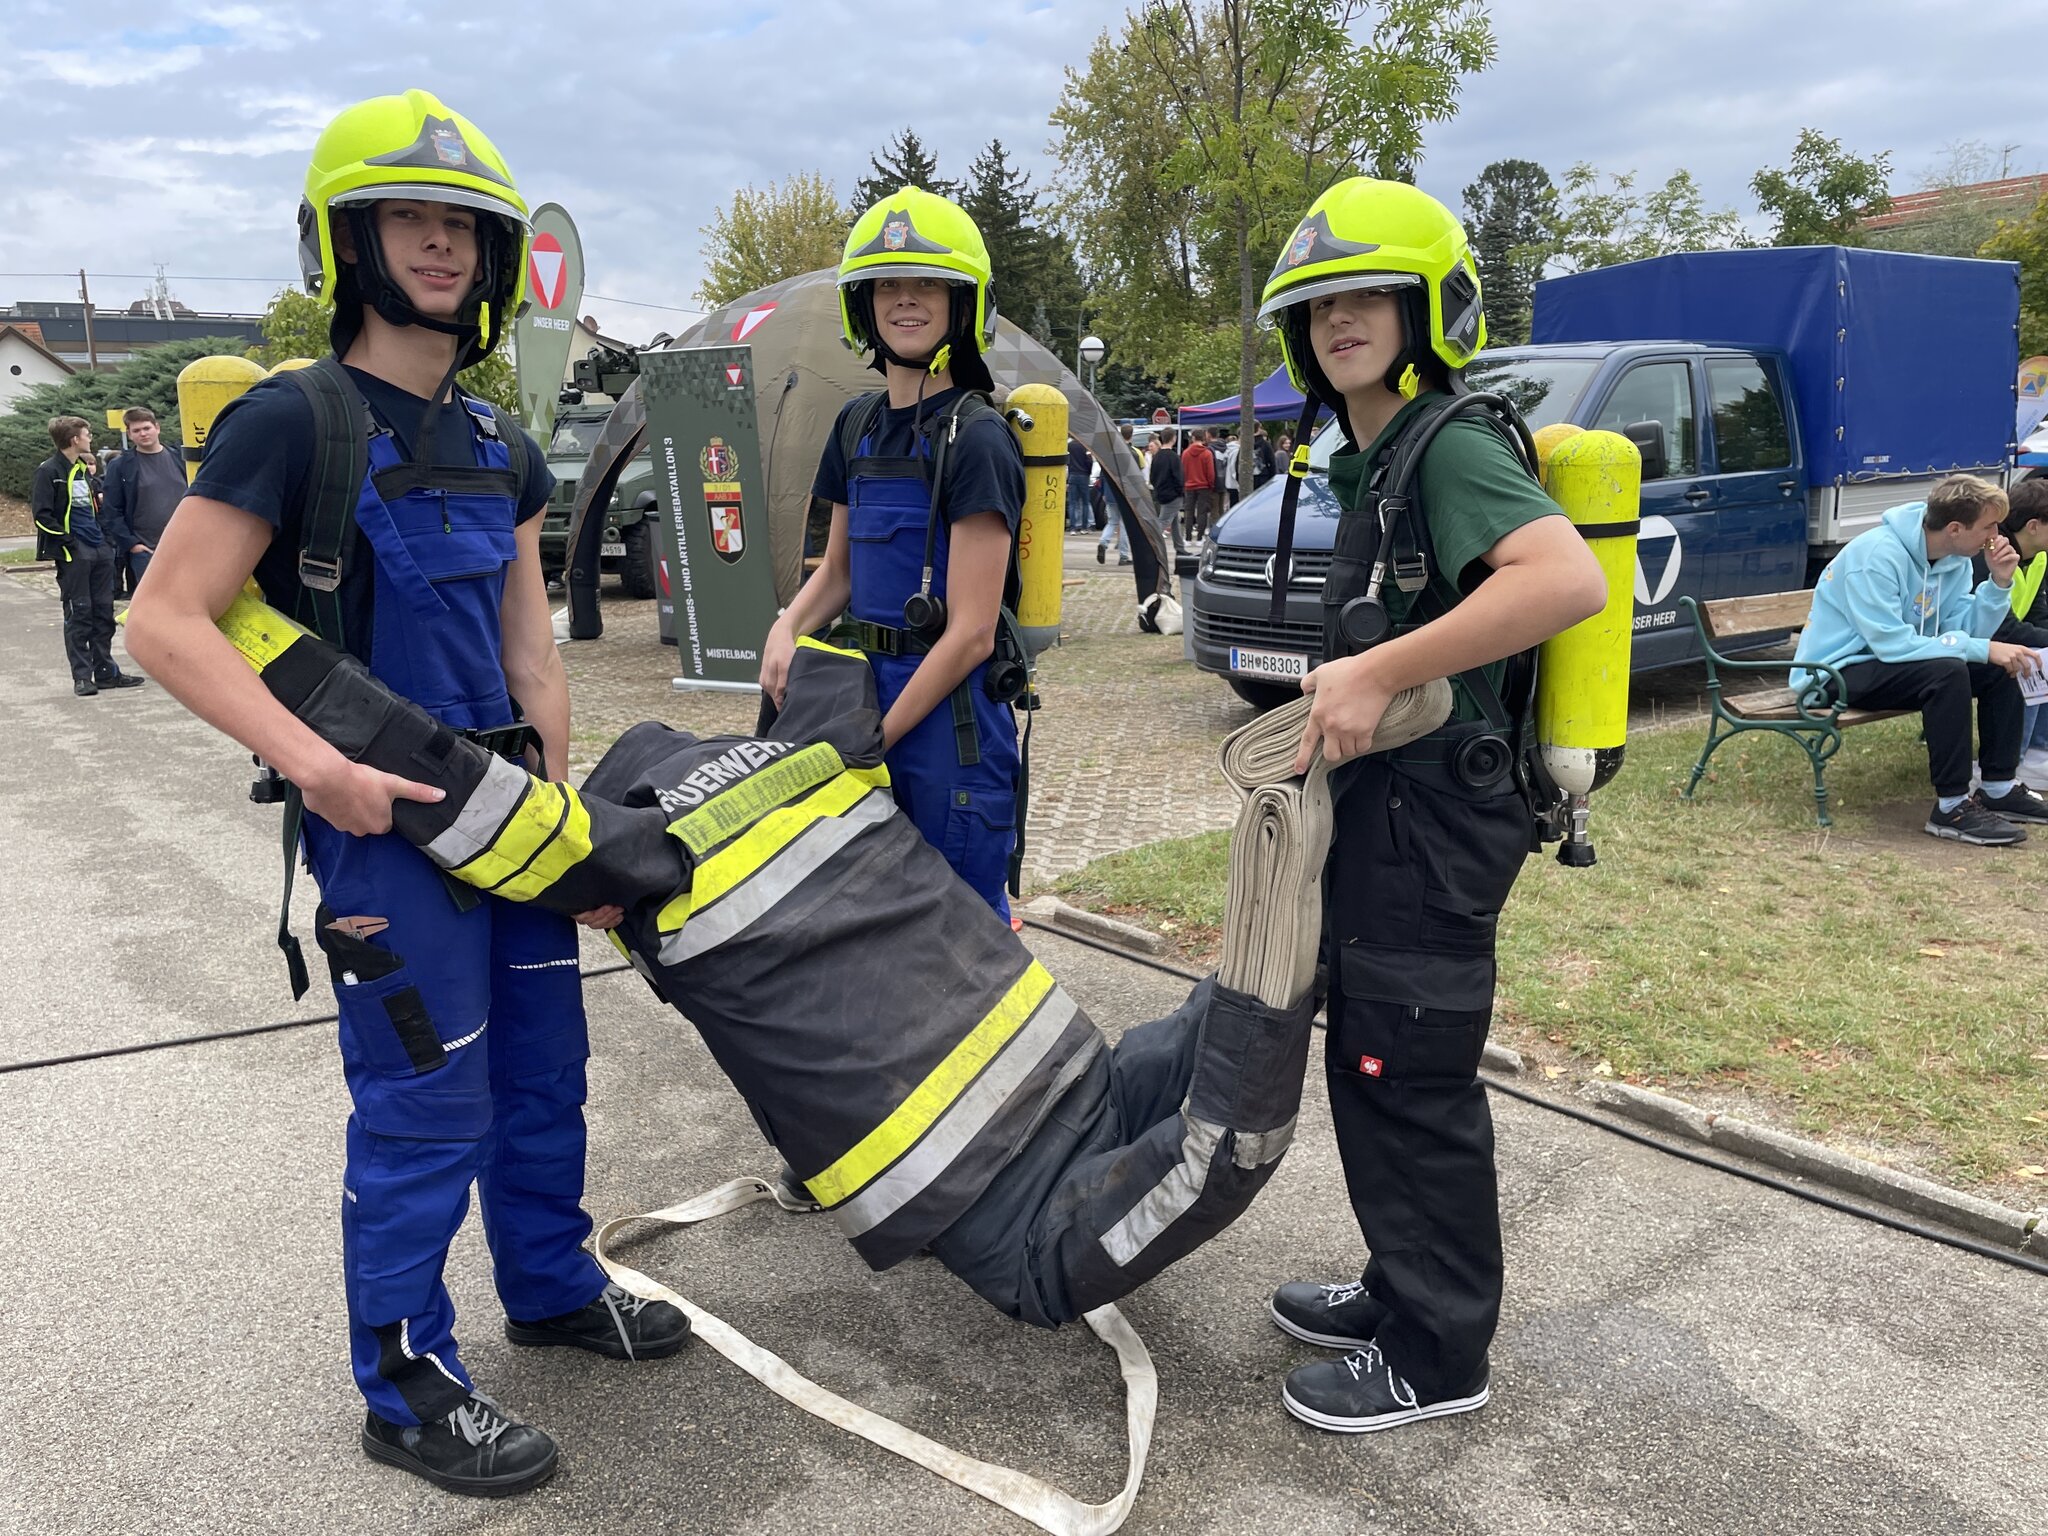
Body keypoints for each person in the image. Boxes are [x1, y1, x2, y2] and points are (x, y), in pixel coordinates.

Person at [125, 89, 686, 1501]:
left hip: (511, 822)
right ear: (349, 241)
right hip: (387, 838)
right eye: (410, 220)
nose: (440, 246)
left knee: (544, 1075)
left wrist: (561, 813)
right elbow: (167, 620)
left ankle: (551, 1288)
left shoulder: (496, 440)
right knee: (427, 1105)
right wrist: (320, 770)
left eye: (463, 227)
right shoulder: (288, 422)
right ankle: (407, 1383)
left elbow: (529, 646)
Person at [1254, 177, 1608, 1433]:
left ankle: (1438, 1357)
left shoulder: (1447, 437)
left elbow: (1563, 581)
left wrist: (1379, 670)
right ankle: (1401, 1291)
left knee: (1410, 1074)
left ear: (1425, 306)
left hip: (1432, 822)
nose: (1341, 319)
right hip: (1391, 809)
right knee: (1374, 1061)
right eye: (1318, 306)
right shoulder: (1379, 447)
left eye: (1368, 296)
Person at [761, 185, 1025, 918]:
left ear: (961, 304)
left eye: (926, 286)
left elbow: (972, 631)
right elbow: (838, 571)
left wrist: (880, 738)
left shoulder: (978, 437)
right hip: (865, 698)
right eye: (887, 286)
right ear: (864, 306)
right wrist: (786, 628)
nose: (904, 301)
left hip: (948, 722)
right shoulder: (856, 427)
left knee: (962, 928)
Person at [1792, 474, 2045, 845]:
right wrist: (1979, 648)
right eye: (1989, 526)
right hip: (1834, 671)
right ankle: (1952, 806)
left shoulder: (1954, 559)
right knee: (1948, 671)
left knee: (1998, 665)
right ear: (1955, 528)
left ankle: (1998, 787)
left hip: (1895, 665)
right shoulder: (1877, 556)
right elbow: (1890, 644)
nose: (1997, 535)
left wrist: (1999, 584)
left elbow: (1969, 629)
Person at [32, 416, 143, 696]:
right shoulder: (49, 471)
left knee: (104, 612)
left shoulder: (83, 470)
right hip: (75, 553)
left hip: (100, 551)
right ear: (74, 440)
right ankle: (82, 677)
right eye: (87, 434)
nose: (90, 437)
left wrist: (106, 542)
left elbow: (96, 509)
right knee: (79, 612)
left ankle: (106, 672)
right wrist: (68, 542)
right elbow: (42, 516)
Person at [1991, 479, 2048, 788]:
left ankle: (2039, 750)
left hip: (2008, 638)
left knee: (2041, 653)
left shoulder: (2039, 555)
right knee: (2030, 660)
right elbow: (2001, 625)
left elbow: (2039, 613)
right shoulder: (1992, 552)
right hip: (1983, 642)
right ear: (2034, 526)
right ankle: (2018, 757)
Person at [101, 405, 186, 590]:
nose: (143, 434)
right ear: (130, 435)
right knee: (156, 605)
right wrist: (132, 544)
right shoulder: (121, 466)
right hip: (146, 550)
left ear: (157, 427)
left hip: (184, 547)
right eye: (136, 430)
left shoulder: (179, 457)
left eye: (146, 428)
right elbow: (111, 509)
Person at [1098, 422, 1133, 563]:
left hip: (1110, 493)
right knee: (1124, 523)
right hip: (1123, 494)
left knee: (1112, 521)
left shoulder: (1109, 454)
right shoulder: (1128, 453)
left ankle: (1103, 542)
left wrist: (1103, 492)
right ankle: (1123, 555)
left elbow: (1102, 475)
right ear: (1131, 435)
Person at [1148, 427, 1185, 554]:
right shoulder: (1174, 457)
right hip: (1173, 495)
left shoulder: (1157, 457)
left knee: (1175, 522)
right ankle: (1149, 545)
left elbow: (1152, 477)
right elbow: (1178, 477)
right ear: (1174, 438)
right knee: (1163, 522)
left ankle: (1180, 547)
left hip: (1161, 493)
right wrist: (1180, 491)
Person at [1182, 426, 1217, 542]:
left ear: (1192, 438)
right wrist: (1211, 485)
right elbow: (1211, 473)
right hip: (1204, 486)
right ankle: (1199, 538)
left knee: (1189, 512)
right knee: (1202, 512)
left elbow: (1183, 470)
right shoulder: (1207, 453)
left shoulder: (1185, 453)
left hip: (1189, 485)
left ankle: (1187, 538)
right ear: (1203, 438)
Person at [1066, 437, 1095, 532]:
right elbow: (1089, 461)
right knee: (1085, 503)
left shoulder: (1069, 445)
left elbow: (1067, 461)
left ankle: (1073, 528)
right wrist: (1088, 472)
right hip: (1084, 476)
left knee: (1072, 503)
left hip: (1072, 475)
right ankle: (1084, 527)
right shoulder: (1085, 445)